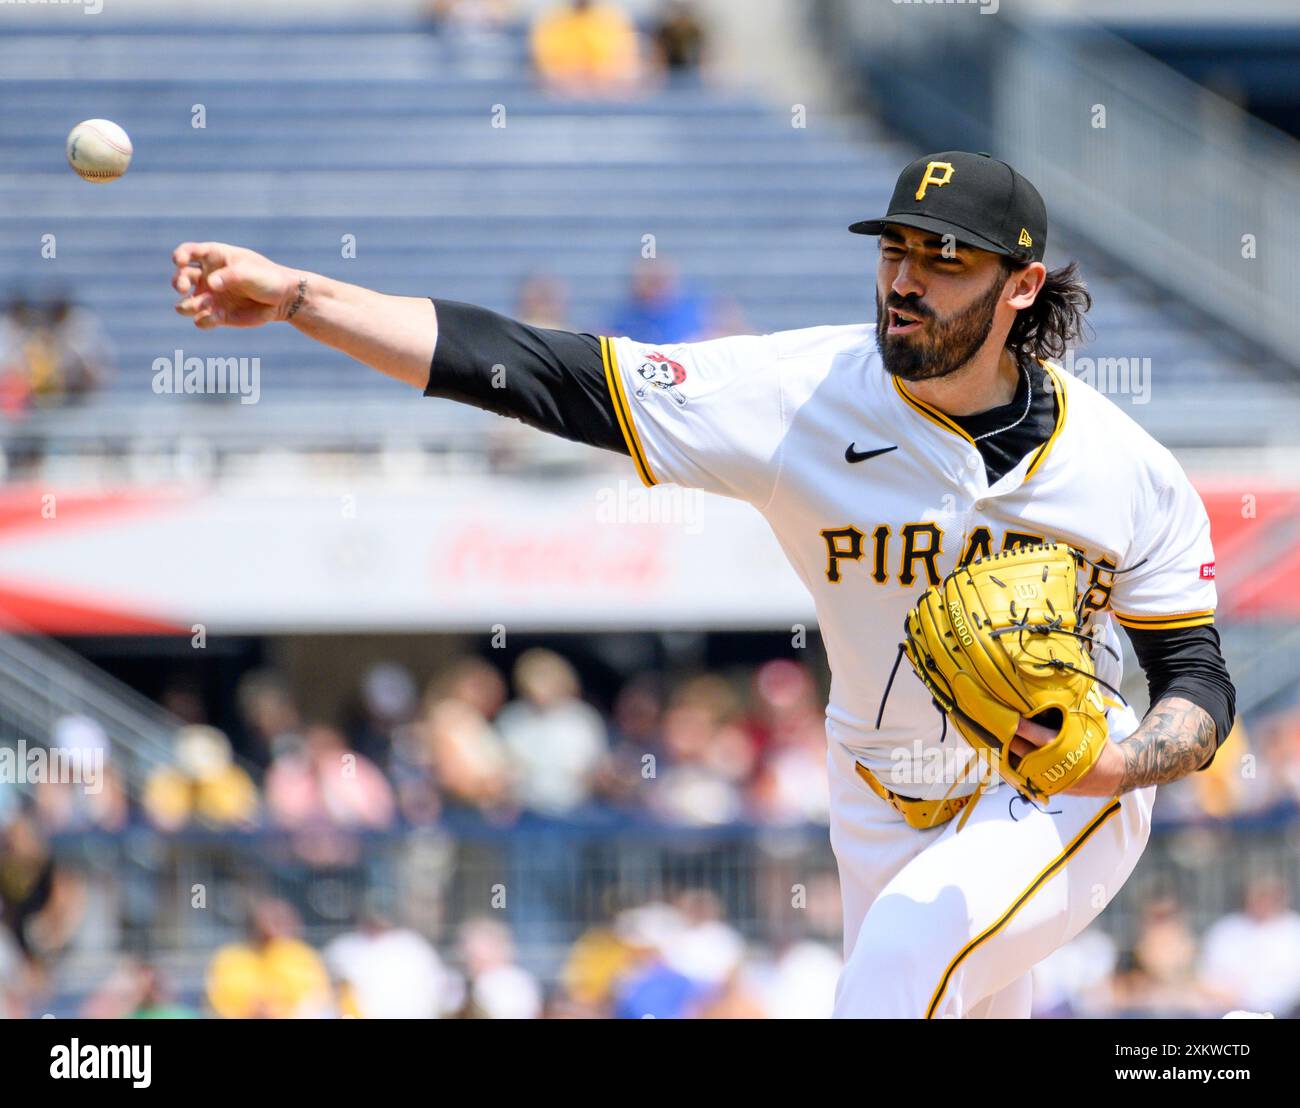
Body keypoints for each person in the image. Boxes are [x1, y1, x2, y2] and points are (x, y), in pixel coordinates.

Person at [168, 148, 1237, 1018]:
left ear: (1019, 287)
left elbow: (1196, 675)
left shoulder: (1120, 465)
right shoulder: (799, 396)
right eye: (895, 250)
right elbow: (547, 372)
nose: (905, 280)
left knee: (897, 968)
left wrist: (1121, 761)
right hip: (875, 789)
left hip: (1057, 784)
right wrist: (304, 296)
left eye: (945, 260)